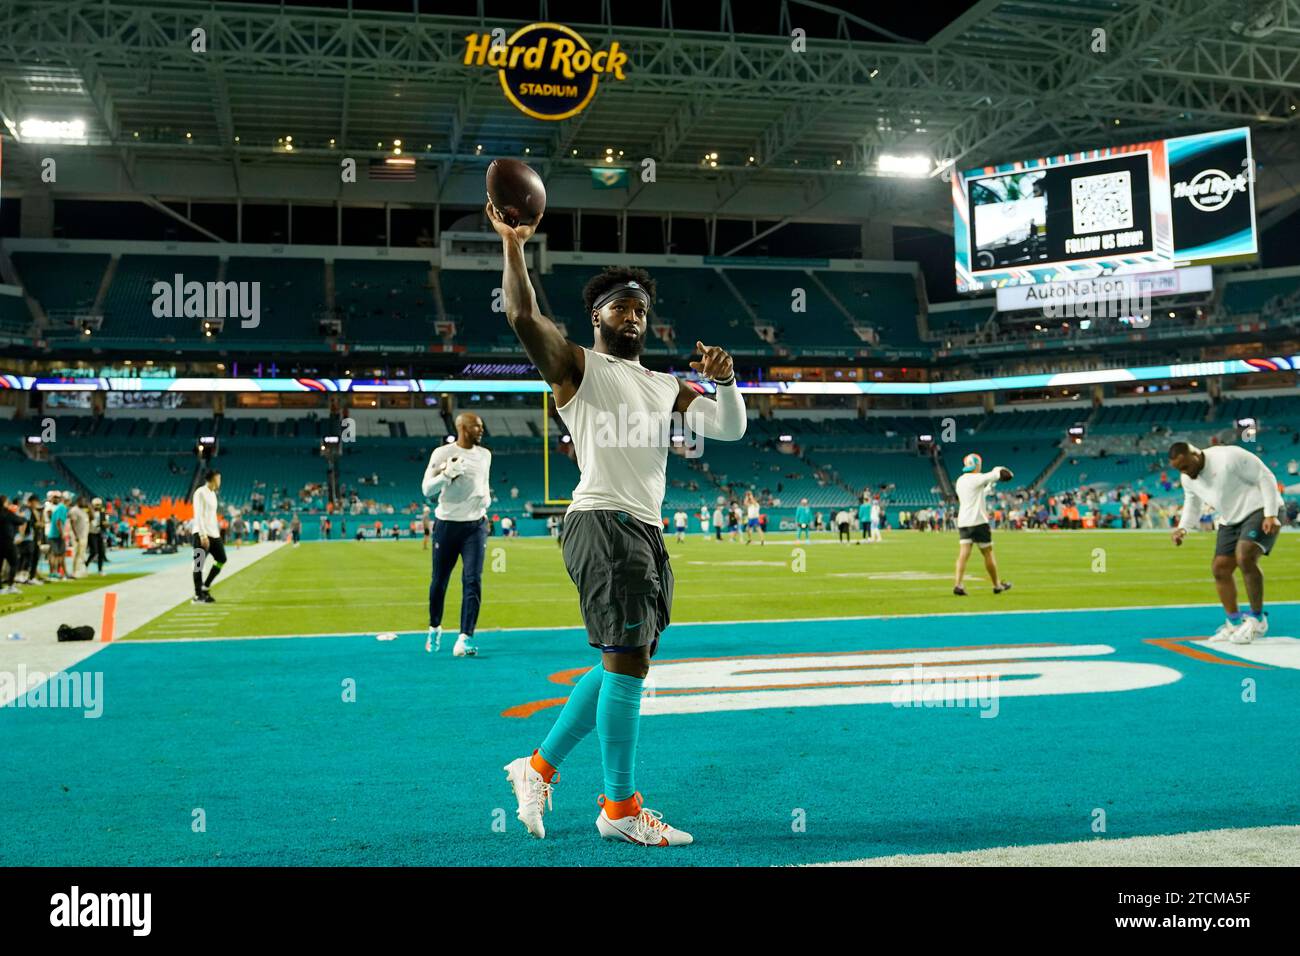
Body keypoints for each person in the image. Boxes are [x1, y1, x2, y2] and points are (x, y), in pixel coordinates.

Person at [488, 200, 745, 848]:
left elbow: (730, 428)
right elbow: (521, 314)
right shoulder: (576, 365)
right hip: (603, 520)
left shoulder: (663, 385)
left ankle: (537, 767)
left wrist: (729, 382)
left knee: (627, 661)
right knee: (627, 661)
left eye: (642, 309)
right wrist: (513, 244)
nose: (634, 315)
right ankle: (619, 807)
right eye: (622, 305)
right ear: (597, 315)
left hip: (645, 529)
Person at [1169, 441, 1284, 643]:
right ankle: (1234, 622)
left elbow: (1265, 476)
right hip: (1230, 519)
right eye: (1180, 470)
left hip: (1259, 510)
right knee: (1220, 568)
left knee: (1245, 556)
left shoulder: (1228, 457)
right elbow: (1192, 502)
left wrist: (1271, 514)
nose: (1185, 473)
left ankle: (1257, 619)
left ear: (1196, 454)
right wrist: (1183, 527)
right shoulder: (1187, 478)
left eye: (1186, 466)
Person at [420, 412, 492, 657]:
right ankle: (434, 627)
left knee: (472, 580)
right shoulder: (442, 454)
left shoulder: (485, 455)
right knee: (439, 581)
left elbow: (484, 483)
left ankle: (465, 637)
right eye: (476, 426)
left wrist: (486, 501)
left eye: (481, 426)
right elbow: (426, 490)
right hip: (447, 525)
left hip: (475, 526)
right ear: (462, 426)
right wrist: (446, 475)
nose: (480, 430)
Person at [953, 453, 1013, 596]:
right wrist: (999, 468)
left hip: (964, 522)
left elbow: (977, 493)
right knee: (988, 554)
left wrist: (988, 487)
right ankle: (997, 585)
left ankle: (958, 584)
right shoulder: (977, 478)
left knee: (963, 554)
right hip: (978, 521)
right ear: (977, 464)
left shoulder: (960, 481)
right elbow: (997, 474)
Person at [191, 469, 226, 603]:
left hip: (213, 534)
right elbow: (198, 515)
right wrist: (202, 535)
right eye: (218, 478)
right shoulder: (200, 492)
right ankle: (198, 594)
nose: (220, 481)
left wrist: (216, 534)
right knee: (199, 565)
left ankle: (205, 586)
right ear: (212, 479)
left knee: (221, 559)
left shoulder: (213, 494)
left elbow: (211, 517)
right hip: (201, 534)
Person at [0, 495, 25, 595]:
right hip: (8, 542)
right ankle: (10, 586)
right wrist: (20, 514)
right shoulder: (8, 513)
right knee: (14, 563)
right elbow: (21, 521)